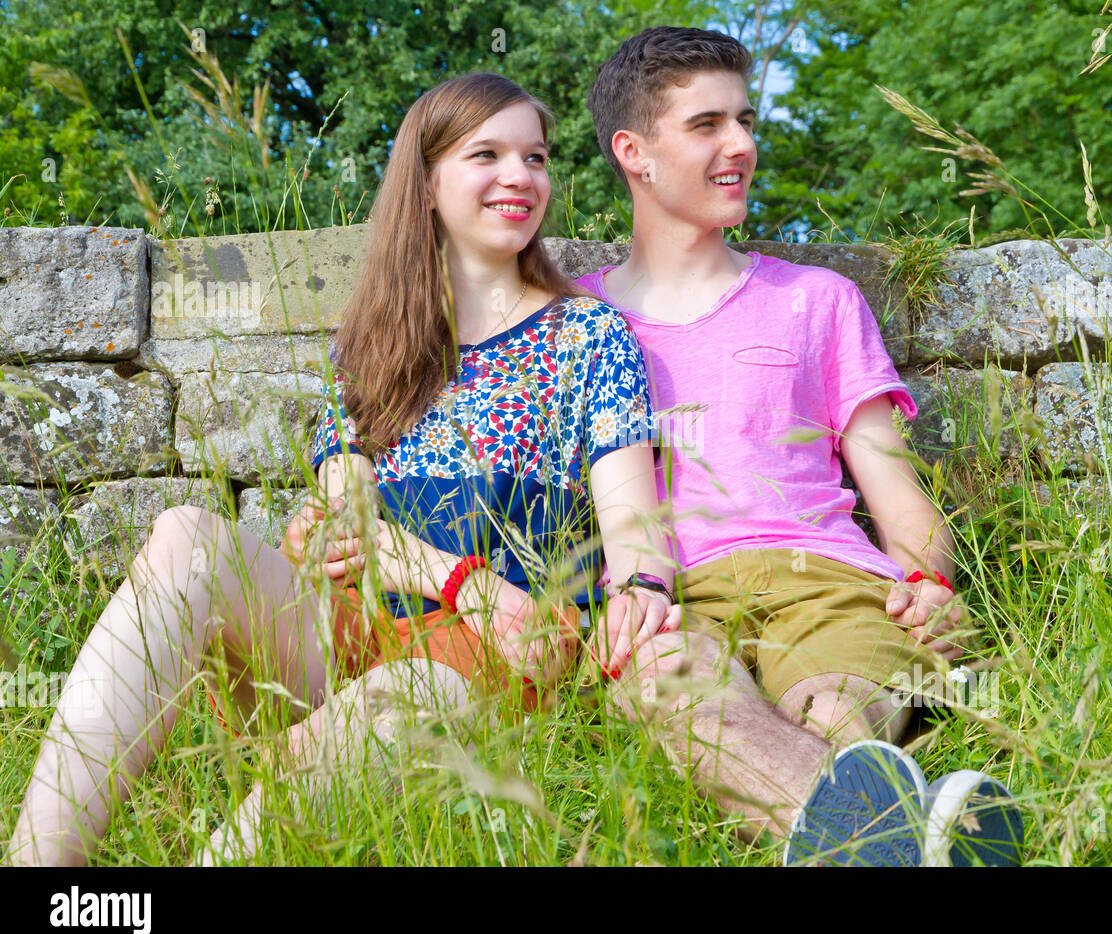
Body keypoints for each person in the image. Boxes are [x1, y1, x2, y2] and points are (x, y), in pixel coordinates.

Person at [5, 72, 677, 866]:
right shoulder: (373, 347)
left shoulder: (589, 335)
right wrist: (468, 580)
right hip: (364, 627)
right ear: (425, 184)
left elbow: (637, 539)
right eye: (486, 154)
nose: (520, 177)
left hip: (492, 653)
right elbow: (343, 528)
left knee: (386, 708)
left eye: (535, 157)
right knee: (186, 536)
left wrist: (636, 594)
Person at [575, 26, 1025, 866]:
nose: (741, 145)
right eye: (707, 125)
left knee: (831, 713)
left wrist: (930, 582)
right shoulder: (575, 325)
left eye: (746, 121)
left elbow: (898, 497)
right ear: (633, 152)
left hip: (832, 584)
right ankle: (923, 842)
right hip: (676, 601)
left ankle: (864, 834)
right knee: (679, 695)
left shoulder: (817, 301)